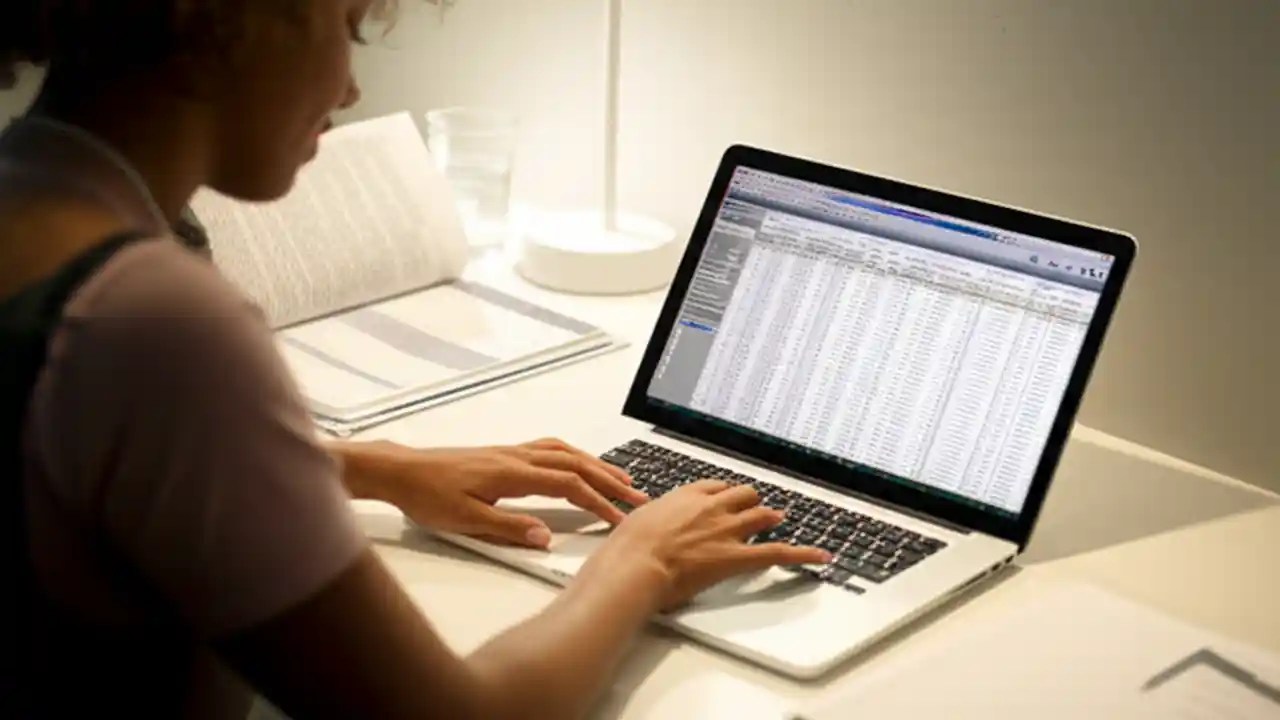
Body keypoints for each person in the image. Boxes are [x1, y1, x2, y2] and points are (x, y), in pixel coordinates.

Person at [0, 2, 831, 718]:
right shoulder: (154, 320)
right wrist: (644, 560)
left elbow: (91, 459)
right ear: (228, 20)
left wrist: (360, 466)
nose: (350, 88)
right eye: (349, 28)